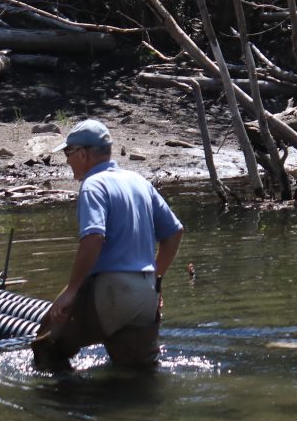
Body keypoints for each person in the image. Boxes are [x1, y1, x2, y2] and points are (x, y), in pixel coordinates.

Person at [31, 118, 184, 372]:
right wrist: (155, 280)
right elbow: (175, 232)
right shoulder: (139, 181)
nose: (67, 160)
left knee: (47, 345)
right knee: (139, 375)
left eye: (68, 153)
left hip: (112, 290)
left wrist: (71, 291)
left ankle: (61, 409)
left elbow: (94, 237)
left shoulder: (93, 185)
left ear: (82, 154)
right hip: (146, 294)